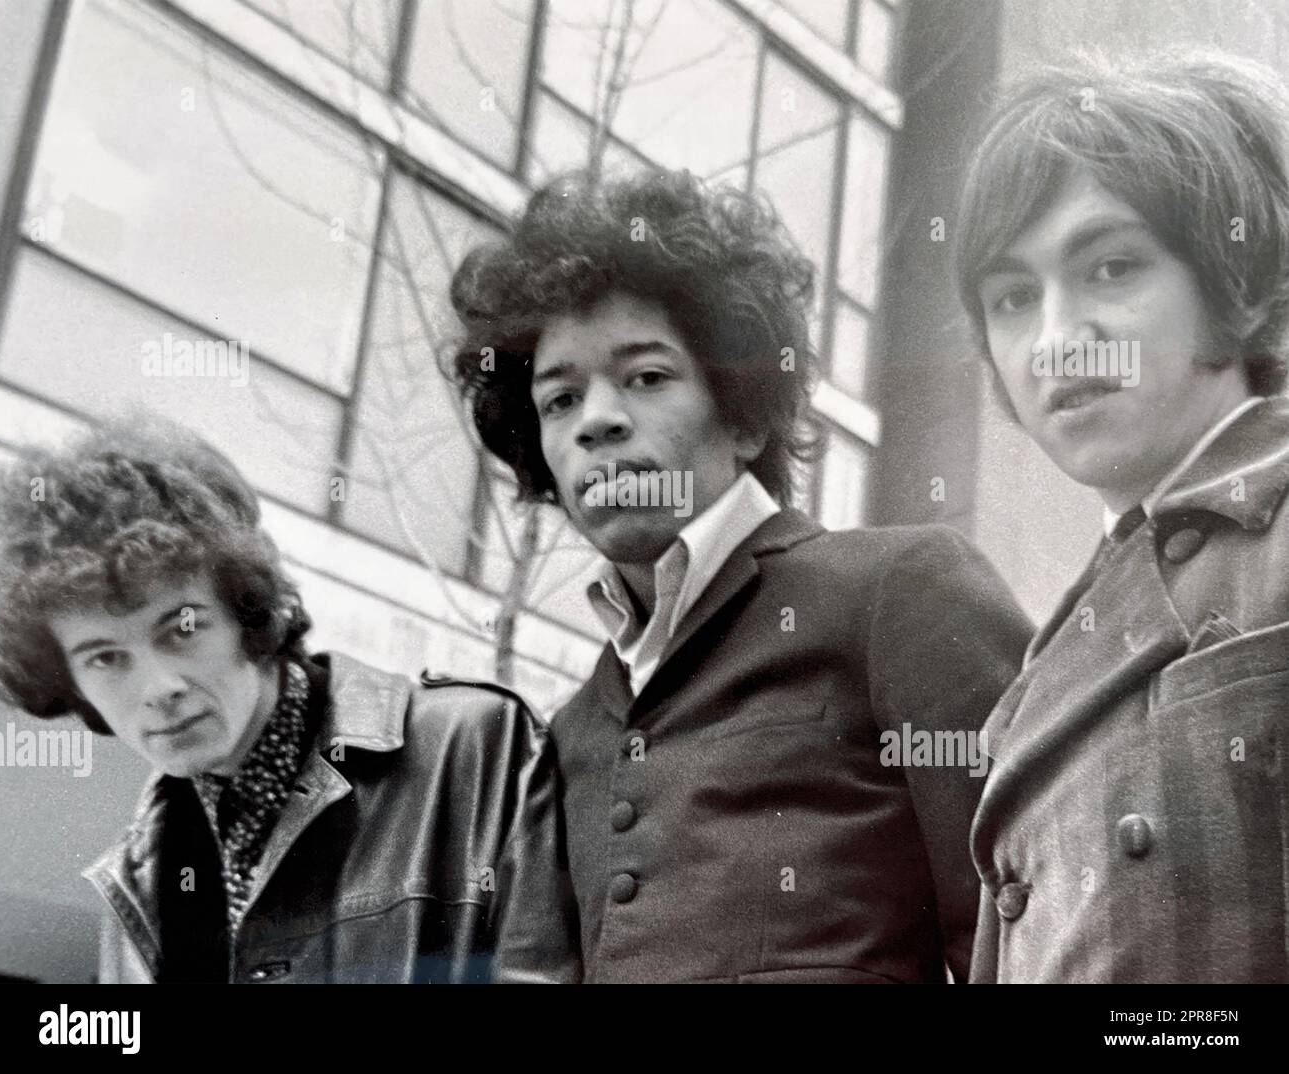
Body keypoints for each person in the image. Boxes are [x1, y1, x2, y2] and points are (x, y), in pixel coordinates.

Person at [448, 168, 1031, 983]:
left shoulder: (900, 594)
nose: (597, 421)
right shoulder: (575, 730)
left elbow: (1028, 929)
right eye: (558, 399)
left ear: (748, 415)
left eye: (646, 377)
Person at [0, 418, 579, 983]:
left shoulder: (472, 745)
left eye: (182, 628)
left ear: (246, 611)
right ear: (69, 682)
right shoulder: (137, 877)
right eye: (105, 658)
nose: (160, 688)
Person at [954, 48, 1289, 982]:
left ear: (1235, 279)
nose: (1058, 339)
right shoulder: (1036, 676)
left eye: (1110, 268)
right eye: (1014, 298)